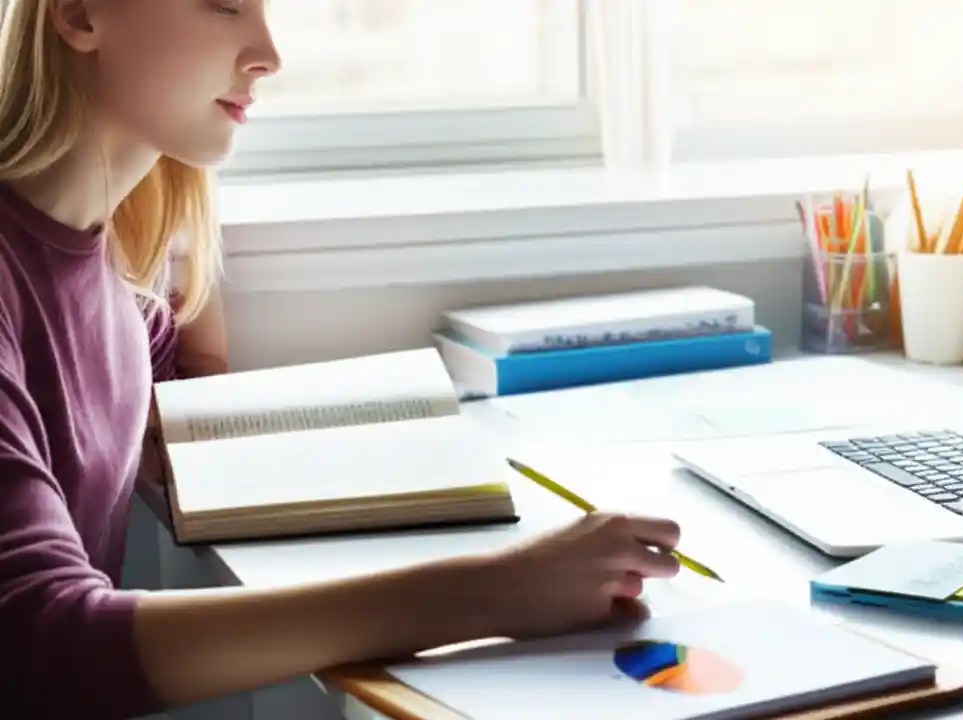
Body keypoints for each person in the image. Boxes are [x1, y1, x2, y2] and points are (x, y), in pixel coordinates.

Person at [0, 1, 684, 717]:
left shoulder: (110, 270)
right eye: (226, 5)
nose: (268, 54)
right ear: (78, 14)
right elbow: (37, 642)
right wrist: (495, 590)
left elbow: (154, 359)